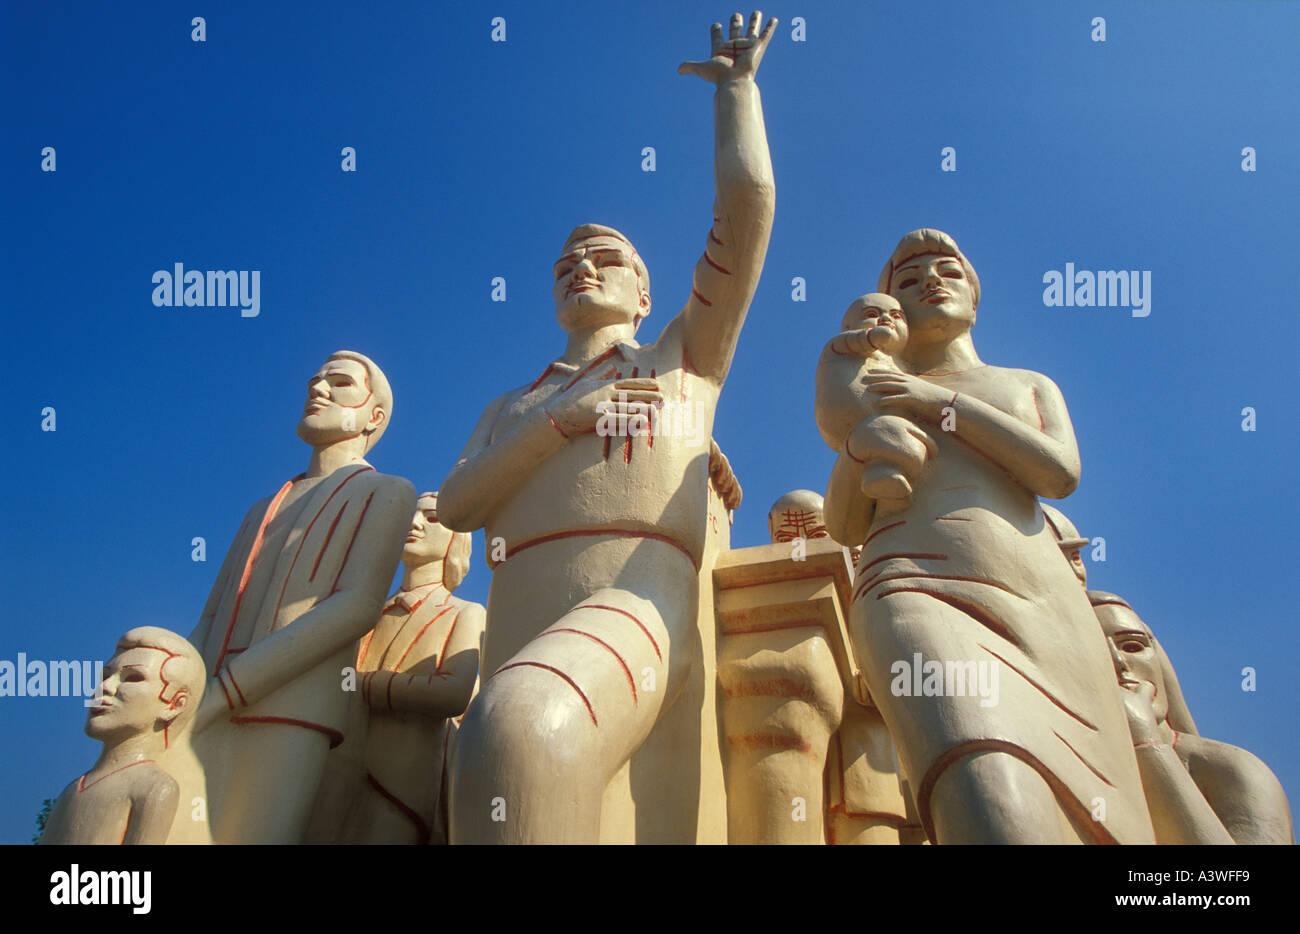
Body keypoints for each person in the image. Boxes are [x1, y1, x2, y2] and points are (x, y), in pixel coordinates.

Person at [440, 12, 777, 844]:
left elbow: (746, 208)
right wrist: (562, 422)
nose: (581, 267)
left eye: (605, 258)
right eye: (564, 266)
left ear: (646, 292)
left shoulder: (681, 358)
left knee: (525, 728)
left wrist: (737, 93)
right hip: (519, 608)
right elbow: (455, 504)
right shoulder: (512, 404)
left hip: (636, 597)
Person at [817, 229, 1153, 844]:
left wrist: (938, 402)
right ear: (888, 310)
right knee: (980, 768)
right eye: (908, 281)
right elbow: (843, 525)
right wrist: (859, 447)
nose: (930, 282)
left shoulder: (1027, 385)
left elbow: (1058, 472)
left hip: (1047, 611)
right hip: (912, 583)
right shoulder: (875, 395)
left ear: (975, 297)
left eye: (946, 271)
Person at [188, 351, 415, 844]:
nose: (318, 389)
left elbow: (355, 606)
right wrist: (186, 681)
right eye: (315, 380)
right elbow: (211, 614)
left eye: (339, 383)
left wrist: (231, 686)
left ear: (373, 416)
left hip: (292, 705)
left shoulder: (387, 492)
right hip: (206, 695)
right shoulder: (259, 510)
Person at [339, 492, 485, 844]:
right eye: (409, 516)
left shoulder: (465, 613)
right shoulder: (362, 612)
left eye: (432, 518)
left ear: (455, 538)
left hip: (402, 786)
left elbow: (453, 693)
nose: (415, 524)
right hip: (335, 767)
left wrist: (365, 686)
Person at [1093, 591, 1293, 845]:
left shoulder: (1232, 771)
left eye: (1133, 647)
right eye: (1095, 650)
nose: (1118, 661)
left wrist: (1146, 745)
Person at [41, 627, 208, 845]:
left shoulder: (152, 788)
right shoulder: (71, 791)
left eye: (132, 678)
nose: (105, 687)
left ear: (174, 705)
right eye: (105, 676)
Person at [816, 293, 937, 501]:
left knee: (908, 444)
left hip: (885, 423)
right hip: (853, 416)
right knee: (884, 433)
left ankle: (884, 475)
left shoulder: (902, 365)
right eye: (872, 314)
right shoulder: (839, 348)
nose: (886, 319)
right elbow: (859, 341)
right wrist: (872, 336)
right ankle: (881, 473)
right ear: (848, 327)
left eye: (897, 315)